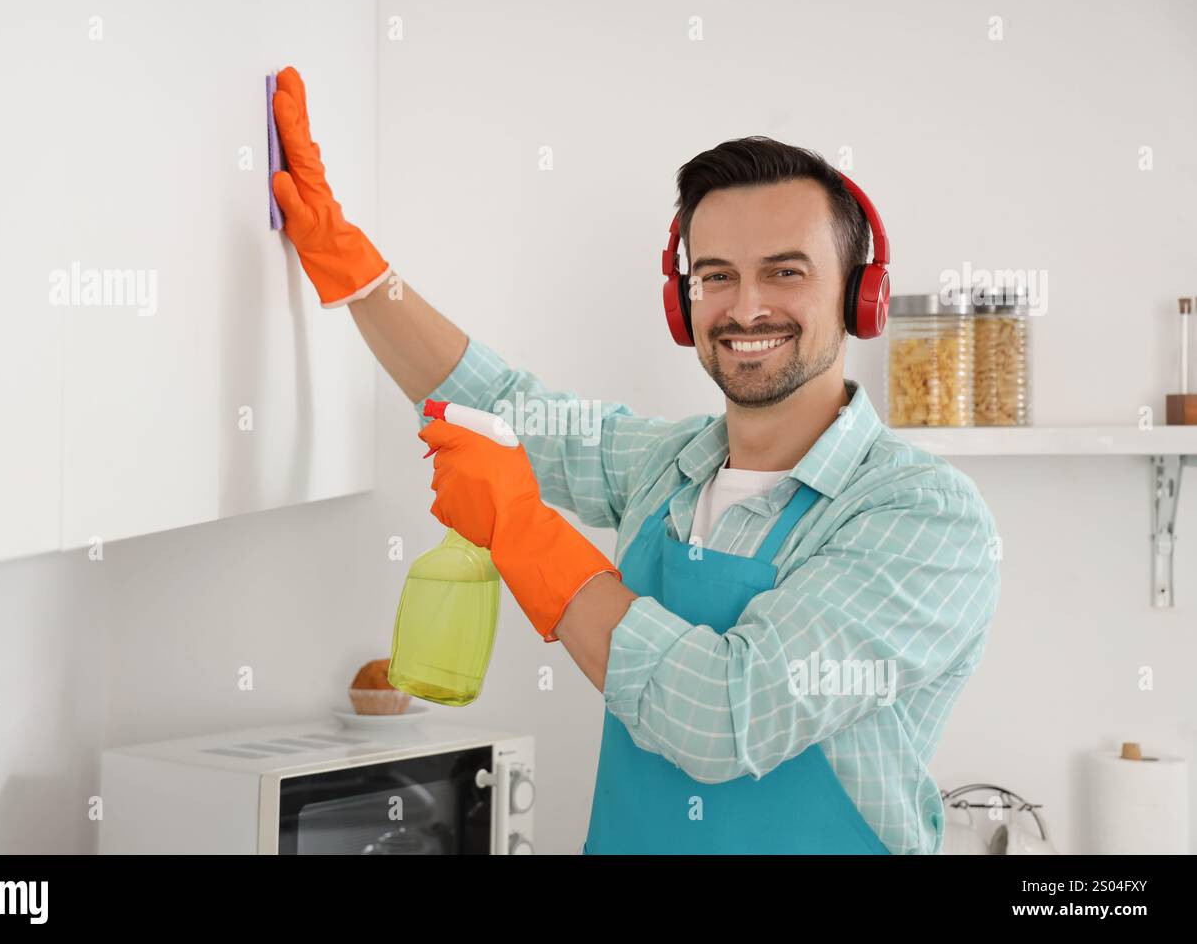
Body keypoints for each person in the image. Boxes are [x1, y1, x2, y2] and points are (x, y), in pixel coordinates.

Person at [271, 66, 1001, 855]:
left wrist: (521, 531)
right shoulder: (670, 465)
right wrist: (356, 273)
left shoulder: (923, 517)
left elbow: (724, 715)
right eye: (715, 276)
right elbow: (504, 405)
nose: (746, 307)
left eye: (785, 272)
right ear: (681, 303)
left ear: (861, 296)